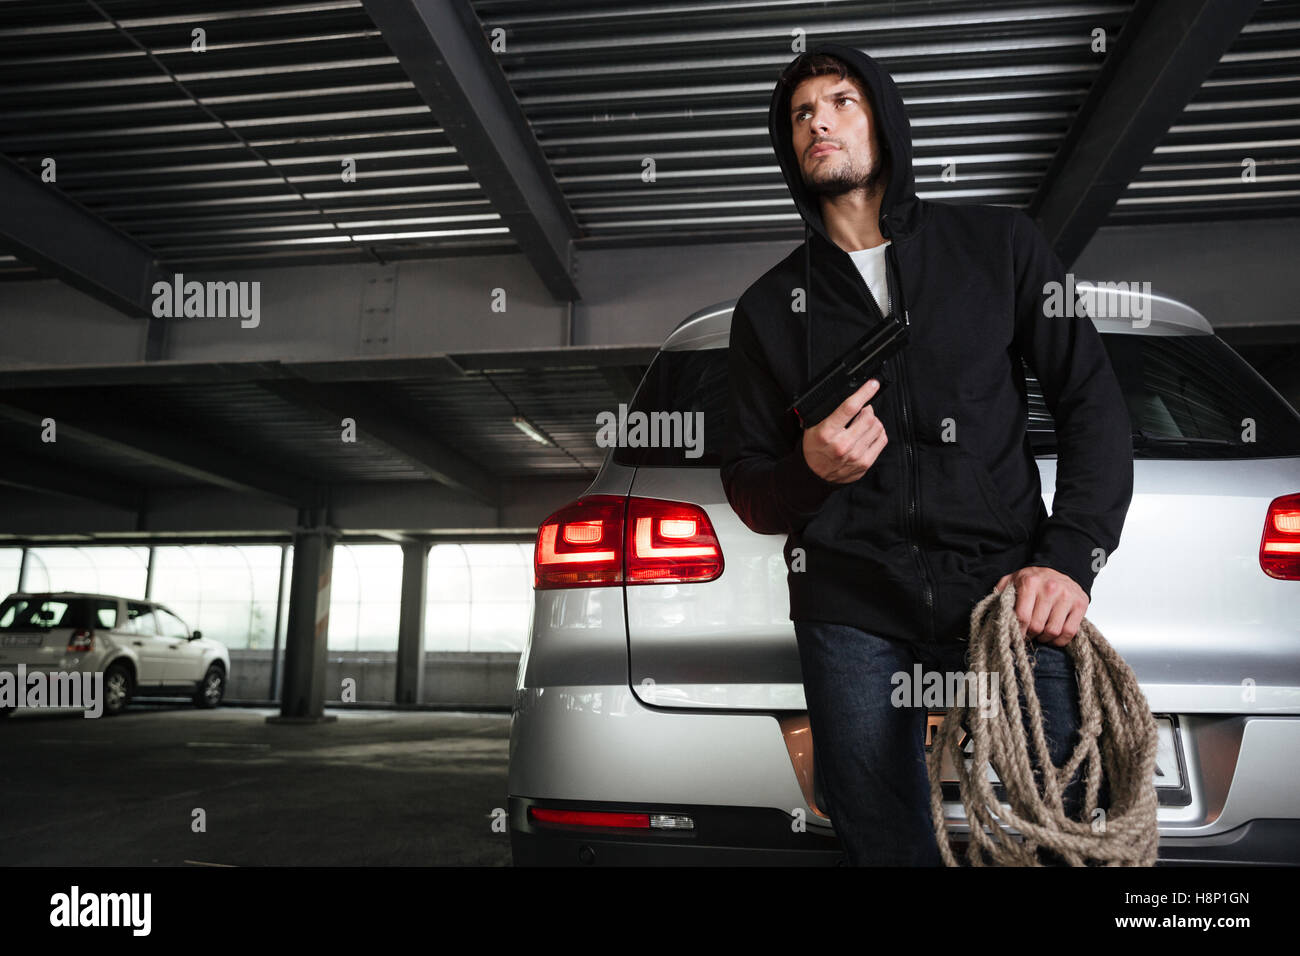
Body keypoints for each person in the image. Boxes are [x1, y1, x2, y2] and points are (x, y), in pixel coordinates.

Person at [720, 43, 1134, 865]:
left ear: (884, 119)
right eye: (801, 114)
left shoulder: (998, 247)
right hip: (852, 602)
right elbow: (749, 485)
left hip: (1005, 586)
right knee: (880, 833)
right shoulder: (768, 308)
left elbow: (1092, 404)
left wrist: (1068, 561)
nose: (820, 123)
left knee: (1074, 806)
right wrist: (810, 470)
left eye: (841, 102)